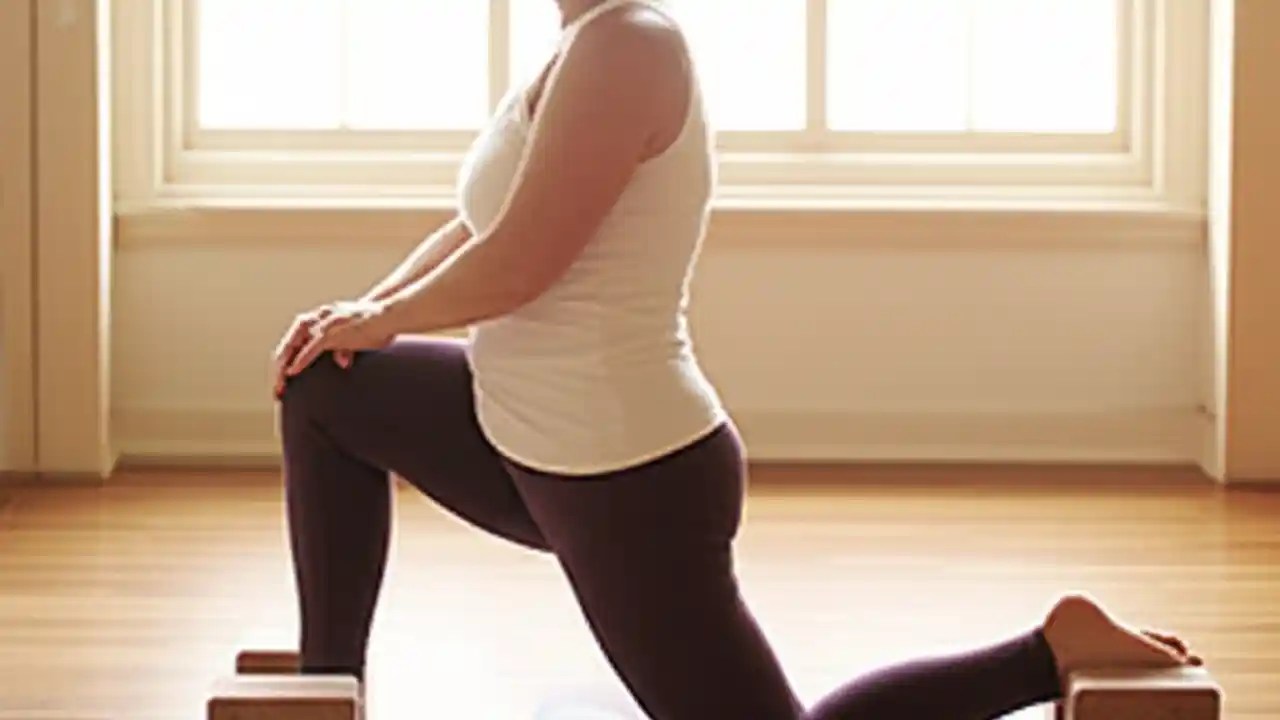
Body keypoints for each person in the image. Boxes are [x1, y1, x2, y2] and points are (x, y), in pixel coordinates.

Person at [271, 1, 1202, 717]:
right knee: (323, 385)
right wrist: (361, 313)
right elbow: (484, 225)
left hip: (626, 474)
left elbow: (520, 263)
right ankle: (328, 684)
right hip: (517, 429)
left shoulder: (630, 45)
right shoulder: (578, 40)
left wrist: (384, 319)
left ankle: (1045, 651)